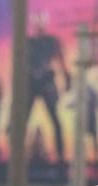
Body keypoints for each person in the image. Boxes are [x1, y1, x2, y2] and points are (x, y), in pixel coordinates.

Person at [25, 13, 68, 165]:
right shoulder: (27, 43)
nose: (38, 25)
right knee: (21, 120)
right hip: (30, 83)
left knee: (55, 119)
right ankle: (17, 157)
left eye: (41, 22)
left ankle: (61, 156)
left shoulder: (51, 42)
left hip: (46, 83)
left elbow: (61, 60)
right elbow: (20, 64)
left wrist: (67, 78)